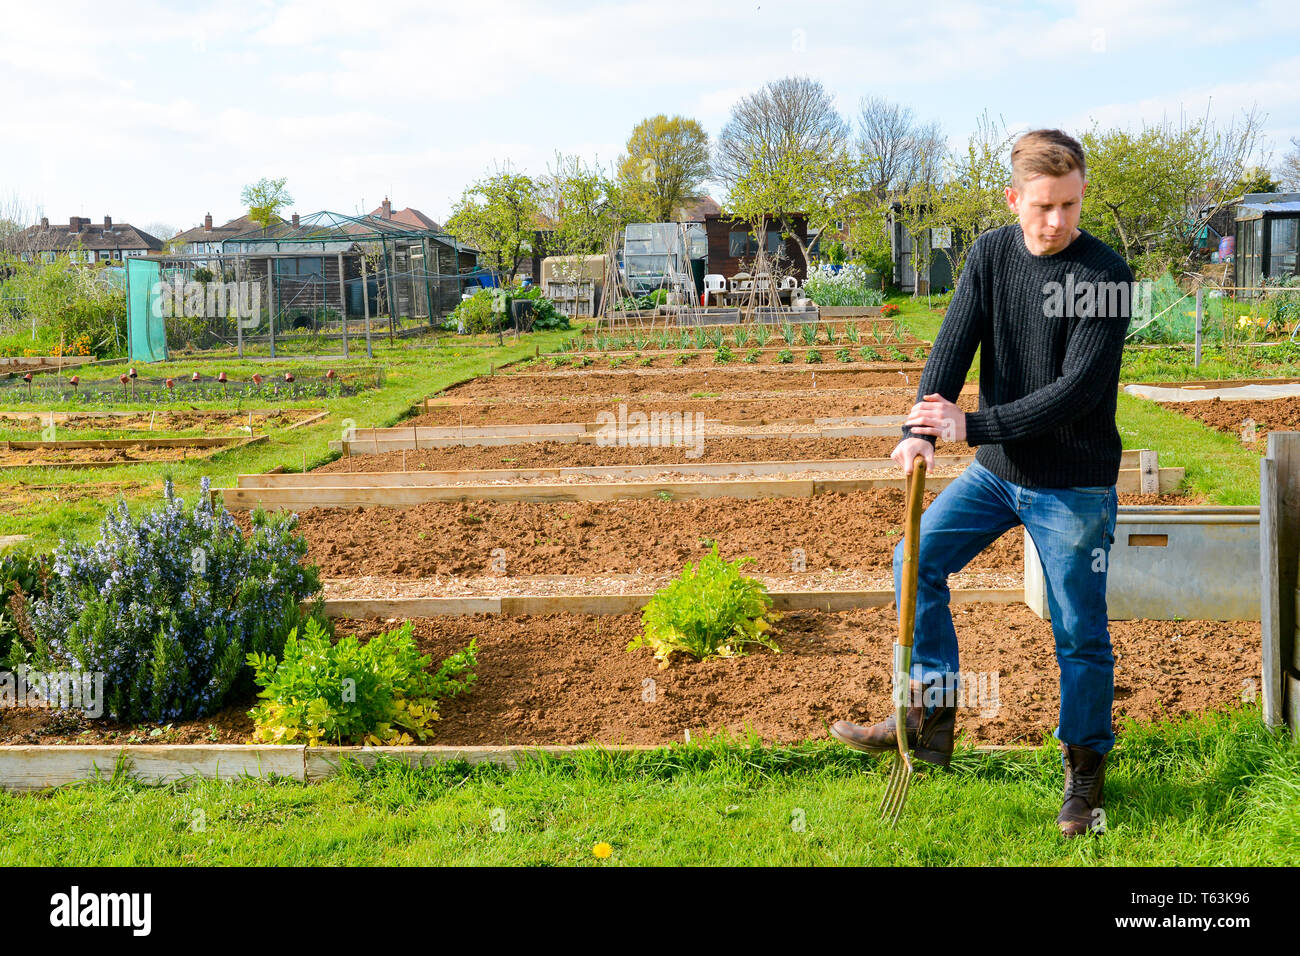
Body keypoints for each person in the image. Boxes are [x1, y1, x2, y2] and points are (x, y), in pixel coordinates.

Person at [829, 128, 1132, 838]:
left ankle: (1083, 778)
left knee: (1078, 632)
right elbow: (952, 344)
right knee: (915, 559)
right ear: (1014, 199)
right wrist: (919, 431)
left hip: (1072, 487)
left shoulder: (1103, 277)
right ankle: (931, 722)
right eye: (1043, 206)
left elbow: (1075, 394)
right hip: (999, 476)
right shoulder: (992, 254)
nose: (1057, 221)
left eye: (1071, 205)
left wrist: (972, 426)